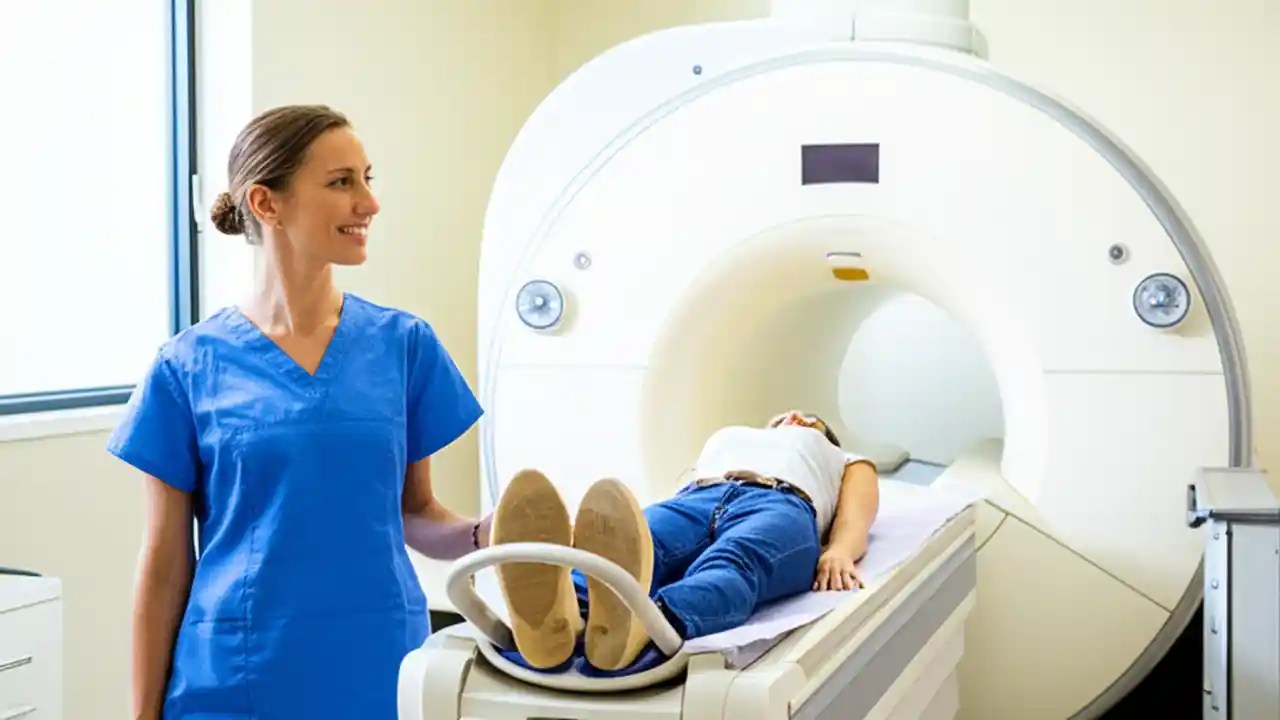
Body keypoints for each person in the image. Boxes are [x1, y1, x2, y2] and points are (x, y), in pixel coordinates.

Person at [107, 104, 489, 720]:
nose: (369, 202)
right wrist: (141, 713)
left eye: (368, 178)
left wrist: (483, 535)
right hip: (236, 674)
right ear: (267, 202)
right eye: (342, 183)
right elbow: (164, 566)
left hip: (377, 666)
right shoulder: (186, 366)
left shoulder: (403, 345)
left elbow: (414, 513)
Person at [488, 410, 879, 673]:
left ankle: (647, 623)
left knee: (733, 562)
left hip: (781, 502)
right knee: (642, 545)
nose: (794, 417)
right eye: (783, 417)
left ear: (826, 437)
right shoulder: (731, 440)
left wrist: (840, 550)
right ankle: (565, 615)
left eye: (810, 420)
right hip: (696, 495)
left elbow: (855, 514)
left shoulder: (841, 459)